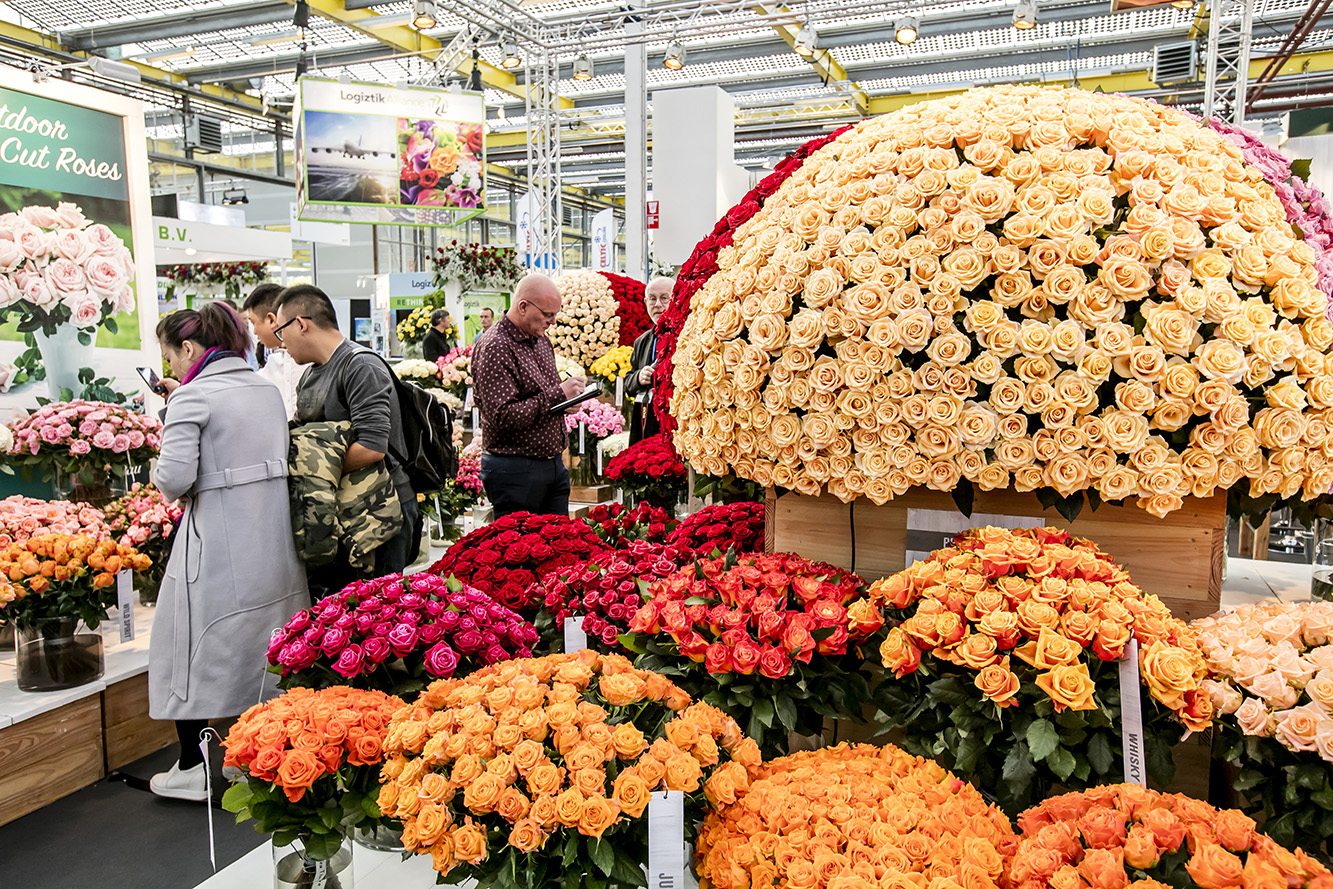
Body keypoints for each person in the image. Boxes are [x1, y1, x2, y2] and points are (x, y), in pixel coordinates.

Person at [147, 301, 308, 801]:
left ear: (188, 348)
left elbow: (173, 480)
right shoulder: (264, 390)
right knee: (263, 648)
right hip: (273, 541)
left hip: (214, 544)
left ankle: (193, 767)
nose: (172, 366)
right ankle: (254, 757)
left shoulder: (191, 397)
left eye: (171, 356)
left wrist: (166, 434)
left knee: (187, 649)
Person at [273, 285, 418, 582]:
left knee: (376, 603)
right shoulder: (311, 374)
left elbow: (372, 446)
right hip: (347, 511)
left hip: (379, 513)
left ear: (300, 324)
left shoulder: (360, 365)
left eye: (280, 331)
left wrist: (310, 473)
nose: (281, 343)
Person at [472, 274, 586, 518]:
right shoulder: (496, 346)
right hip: (515, 470)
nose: (553, 321)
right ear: (523, 307)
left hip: (551, 464)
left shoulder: (540, 340)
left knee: (561, 539)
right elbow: (501, 416)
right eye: (547, 314)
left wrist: (566, 403)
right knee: (520, 541)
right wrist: (559, 394)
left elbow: (541, 396)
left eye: (555, 314)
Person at [242, 282, 306, 421]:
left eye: (253, 323)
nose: (254, 331)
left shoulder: (310, 360)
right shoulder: (273, 364)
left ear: (271, 319)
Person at [625, 276, 674, 444]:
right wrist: (638, 377)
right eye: (652, 299)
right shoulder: (642, 341)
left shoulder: (686, 336)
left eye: (664, 298)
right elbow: (628, 384)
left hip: (674, 421)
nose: (657, 304)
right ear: (646, 302)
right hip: (645, 421)